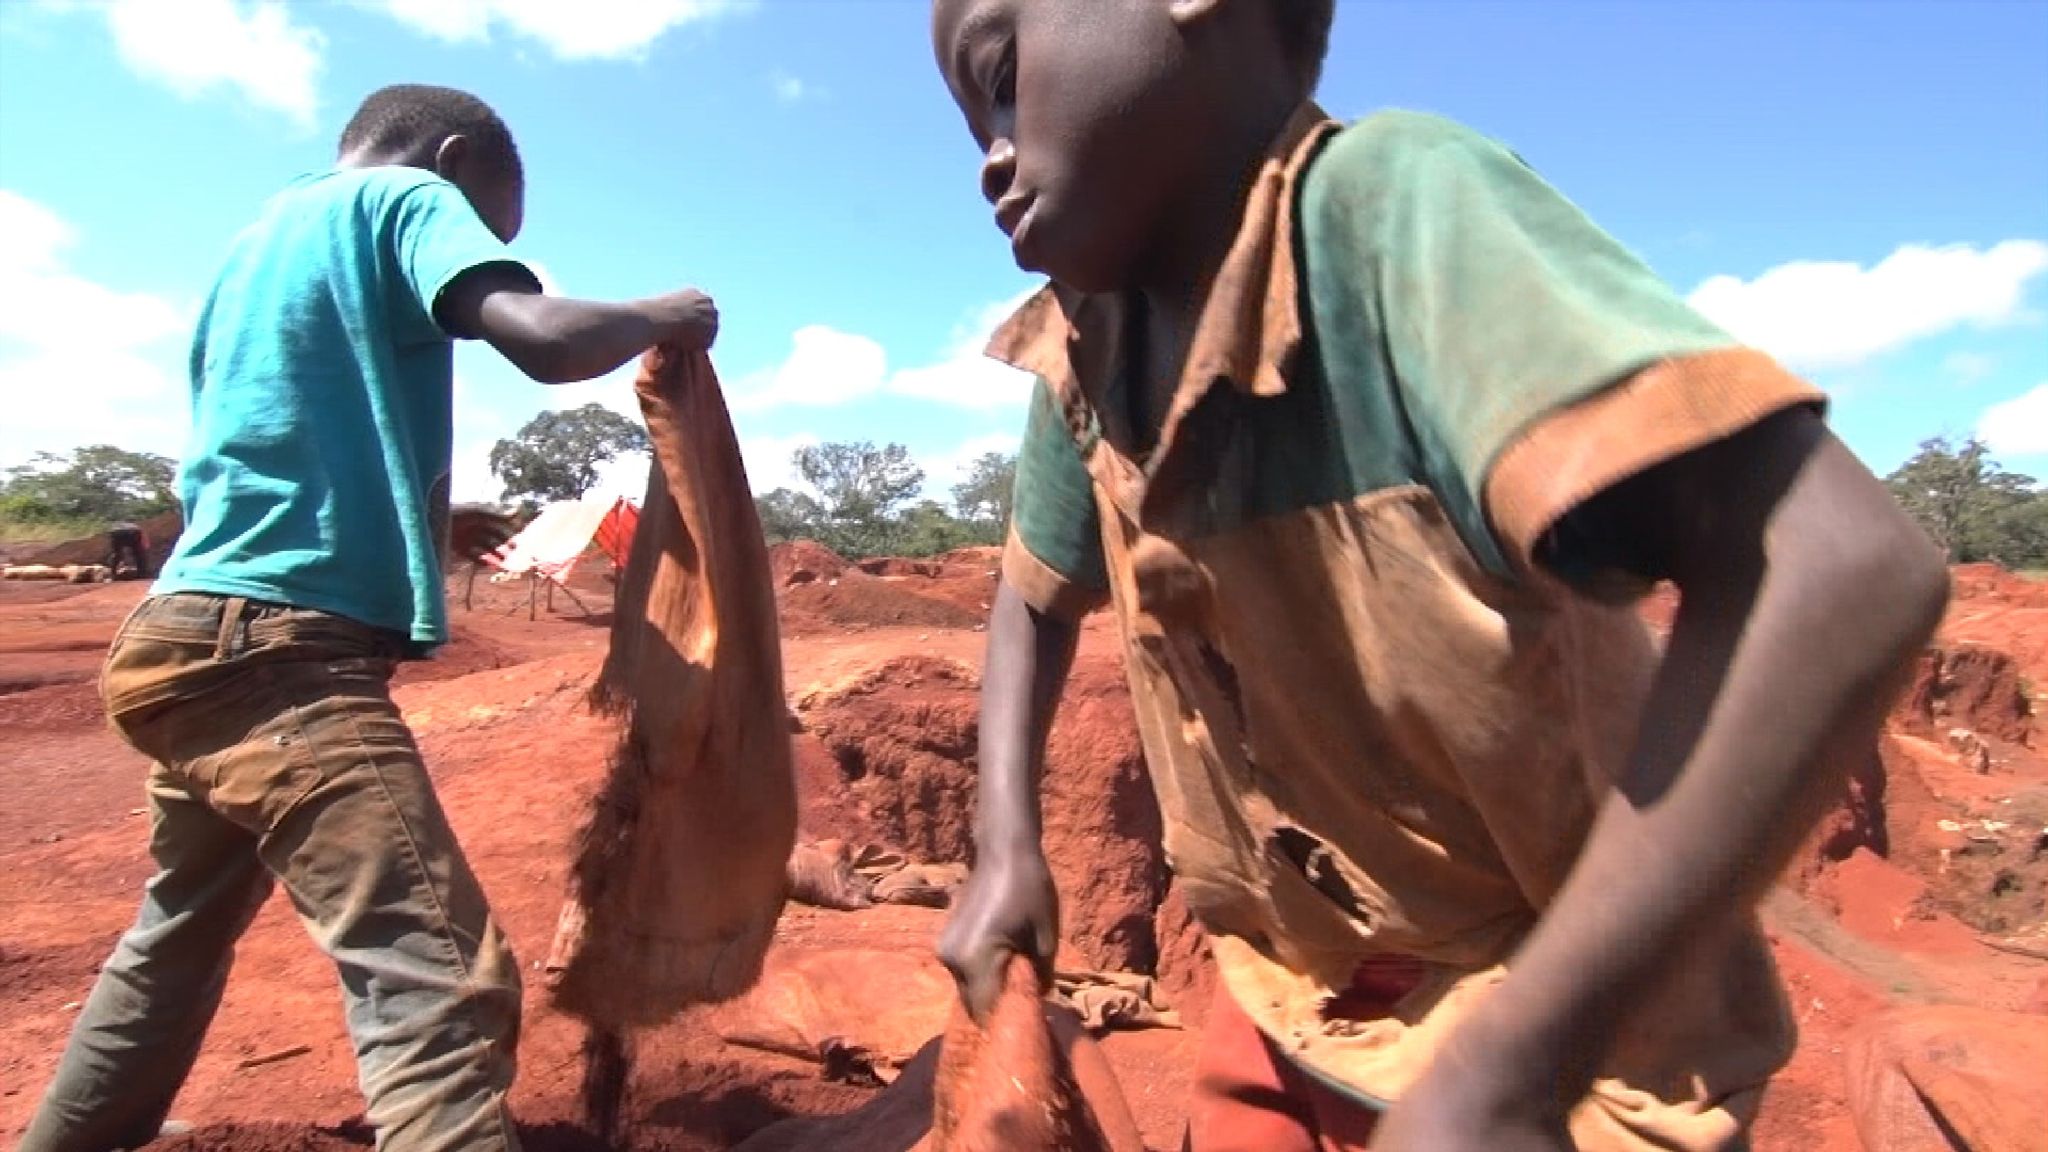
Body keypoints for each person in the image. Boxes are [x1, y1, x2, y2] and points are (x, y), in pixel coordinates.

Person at [926, 2, 1950, 1150]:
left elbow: (1840, 567)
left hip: (1563, 1039)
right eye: (973, 123)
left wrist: (1508, 1075)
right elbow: (1030, 594)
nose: (992, 155)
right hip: (1286, 997)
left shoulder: (1385, 214)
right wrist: (1004, 844)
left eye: (1002, 77)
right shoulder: (1087, 343)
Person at [21, 84, 718, 1152]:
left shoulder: (260, 237)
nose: (474, 246)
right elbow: (538, 337)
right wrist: (667, 315)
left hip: (183, 636)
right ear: (447, 159)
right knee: (439, 979)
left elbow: (281, 438)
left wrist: (428, 527)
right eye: (484, 224)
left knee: (174, 942)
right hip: (278, 659)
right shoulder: (404, 196)